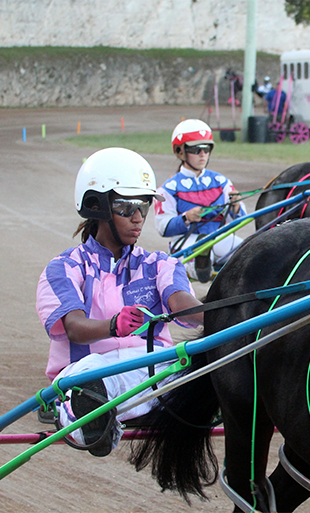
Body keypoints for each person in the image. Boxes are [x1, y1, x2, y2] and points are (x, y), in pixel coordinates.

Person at [36, 147, 204, 457]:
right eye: (126, 208)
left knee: (196, 363)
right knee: (89, 377)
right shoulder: (64, 268)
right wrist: (113, 326)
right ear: (96, 207)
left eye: (143, 206)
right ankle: (86, 411)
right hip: (88, 371)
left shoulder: (160, 263)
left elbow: (182, 303)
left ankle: (97, 414)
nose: (138, 218)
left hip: (152, 370)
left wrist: (228, 313)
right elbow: (74, 328)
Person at [155, 119, 247, 283]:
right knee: (203, 252)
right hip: (186, 241)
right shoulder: (168, 188)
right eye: (196, 149)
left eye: (207, 149)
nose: (202, 154)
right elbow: (163, 227)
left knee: (252, 251)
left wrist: (236, 206)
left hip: (220, 238)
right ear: (180, 152)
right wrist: (186, 218)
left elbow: (239, 220)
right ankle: (201, 266)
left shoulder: (221, 182)